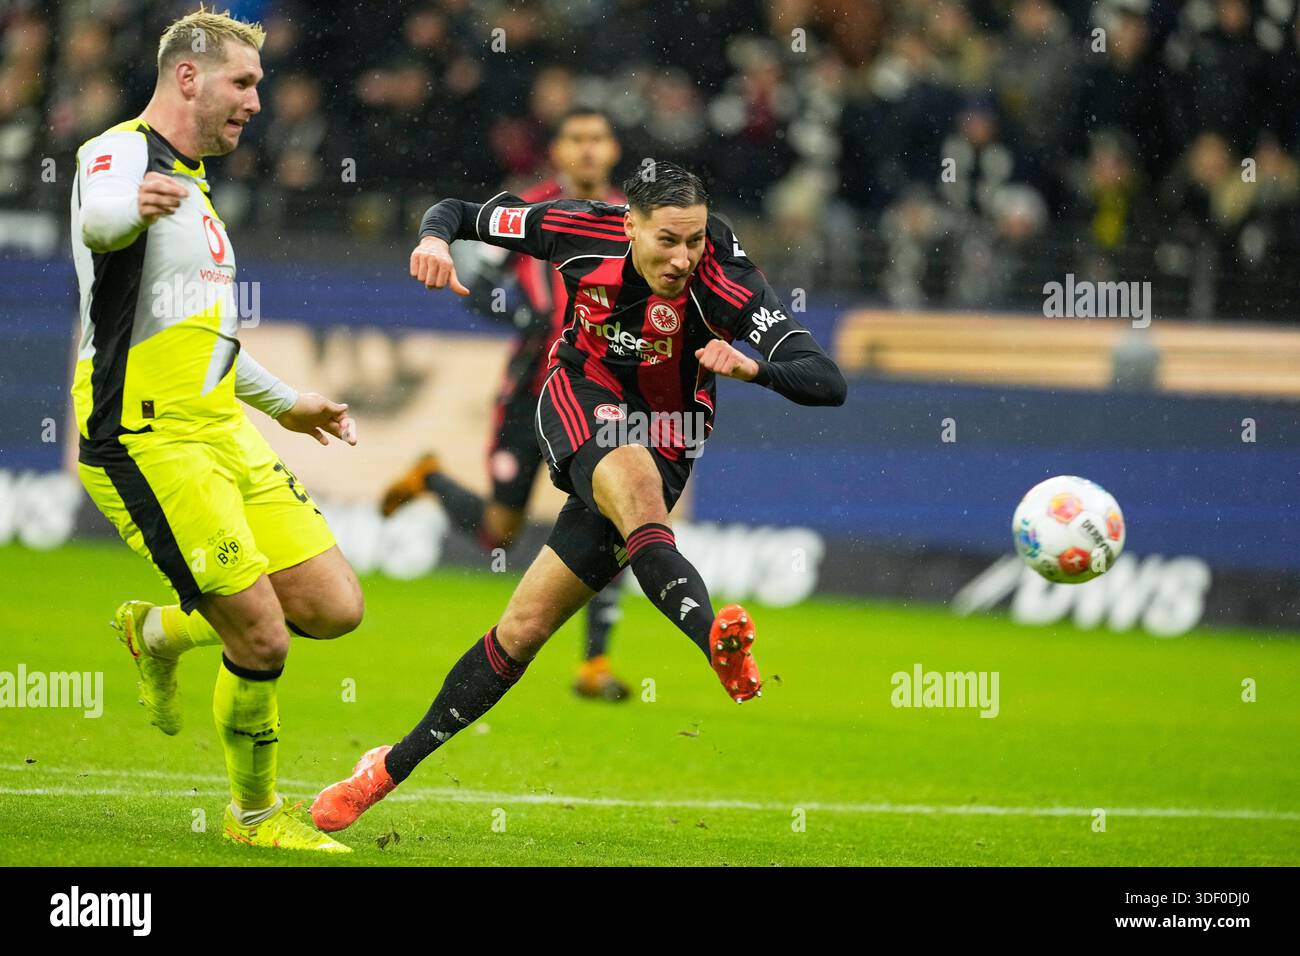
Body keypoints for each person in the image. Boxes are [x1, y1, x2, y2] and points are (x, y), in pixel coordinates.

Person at [312, 162, 846, 832]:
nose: (682, 258)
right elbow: (458, 210)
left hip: (670, 436)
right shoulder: (575, 226)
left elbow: (826, 380)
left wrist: (754, 367)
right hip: (577, 395)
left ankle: (385, 769)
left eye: (695, 241)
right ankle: (714, 639)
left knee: (523, 631)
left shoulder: (729, 282)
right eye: (667, 241)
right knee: (640, 495)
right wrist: (431, 240)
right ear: (630, 225)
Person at [71, 9, 361, 853]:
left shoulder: (196, 189)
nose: (257, 102)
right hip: (143, 434)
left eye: (261, 85)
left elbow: (207, 336)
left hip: (219, 425)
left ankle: (156, 630)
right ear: (189, 76)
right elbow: (98, 219)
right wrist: (134, 206)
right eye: (244, 83)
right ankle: (256, 817)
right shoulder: (119, 153)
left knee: (333, 607)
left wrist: (286, 402)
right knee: (263, 634)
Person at [380, 108, 634, 701]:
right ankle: (431, 480)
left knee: (620, 512)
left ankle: (595, 665)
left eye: (599, 138)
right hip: (530, 388)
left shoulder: (635, 218)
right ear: (560, 150)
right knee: (500, 534)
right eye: (577, 139)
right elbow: (472, 275)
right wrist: (521, 314)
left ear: (614, 148)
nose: (589, 150)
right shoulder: (531, 209)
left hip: (602, 388)